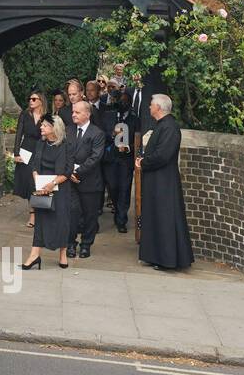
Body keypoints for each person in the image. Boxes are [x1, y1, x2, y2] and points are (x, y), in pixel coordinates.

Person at [136, 94, 194, 270]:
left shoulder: (170, 127)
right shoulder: (163, 125)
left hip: (164, 182)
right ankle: (155, 256)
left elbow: (163, 155)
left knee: (165, 218)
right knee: (156, 217)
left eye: (151, 104)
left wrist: (143, 162)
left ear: (159, 108)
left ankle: (167, 259)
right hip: (157, 180)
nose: (149, 107)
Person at [21, 116, 75, 269]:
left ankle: (63, 254)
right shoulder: (40, 144)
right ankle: (34, 255)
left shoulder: (66, 146)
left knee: (62, 221)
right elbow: (33, 165)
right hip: (42, 188)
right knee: (40, 221)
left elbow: (68, 170)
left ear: (54, 128)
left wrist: (52, 184)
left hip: (60, 188)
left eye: (44, 125)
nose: (41, 128)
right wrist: (36, 178)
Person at [68, 100, 107, 259]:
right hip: (70, 181)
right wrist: (69, 172)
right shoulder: (68, 131)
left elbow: (95, 157)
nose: (73, 115)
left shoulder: (97, 133)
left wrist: (77, 172)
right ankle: (70, 243)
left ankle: (86, 244)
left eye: (77, 112)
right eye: (73, 112)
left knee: (90, 215)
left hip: (90, 182)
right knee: (71, 213)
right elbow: (63, 152)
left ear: (87, 114)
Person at [102, 86, 137, 233]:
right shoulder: (109, 116)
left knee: (124, 189)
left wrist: (128, 148)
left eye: (125, 101)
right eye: (120, 100)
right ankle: (117, 209)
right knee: (113, 188)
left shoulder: (135, 120)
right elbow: (102, 136)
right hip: (111, 160)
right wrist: (112, 134)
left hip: (126, 161)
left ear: (129, 102)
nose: (122, 103)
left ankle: (121, 219)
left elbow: (138, 140)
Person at [13, 92, 46, 225]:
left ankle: (40, 212)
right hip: (26, 149)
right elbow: (18, 133)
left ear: (41, 101)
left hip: (41, 150)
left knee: (38, 182)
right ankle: (32, 215)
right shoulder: (25, 114)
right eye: (29, 99)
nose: (30, 101)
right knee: (29, 182)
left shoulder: (46, 116)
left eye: (34, 99)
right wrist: (16, 153)